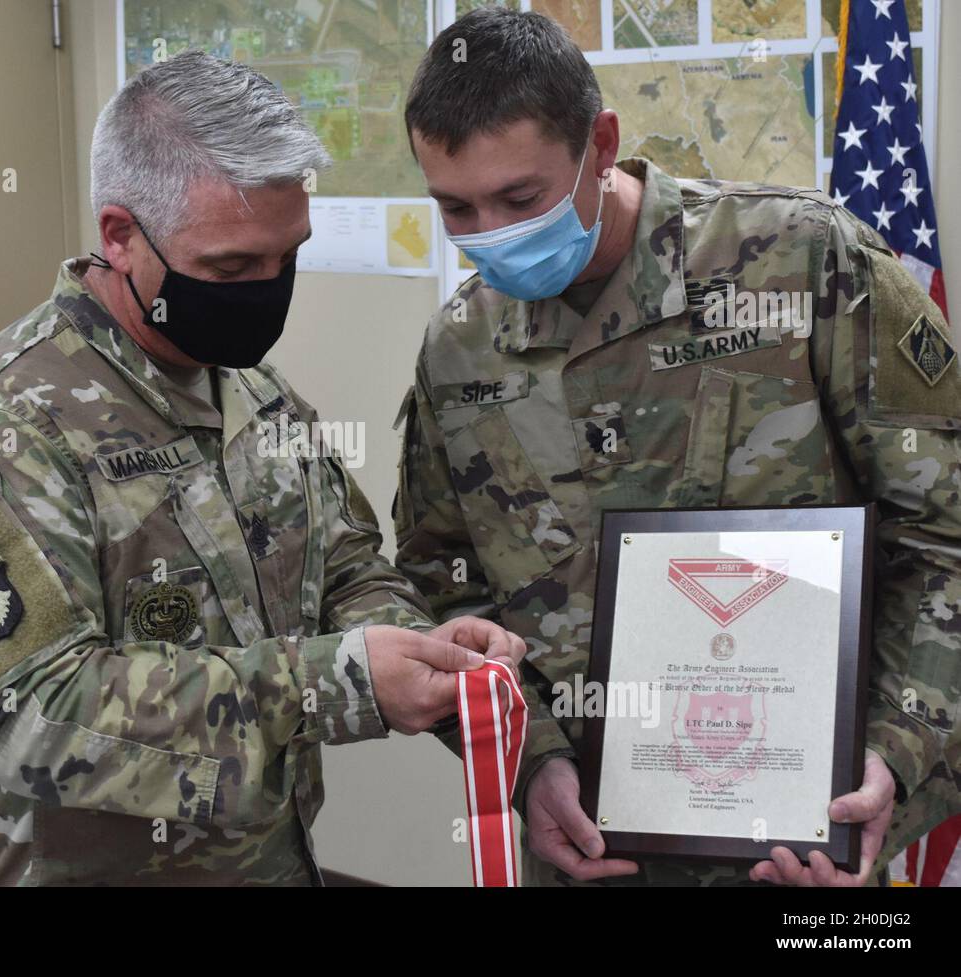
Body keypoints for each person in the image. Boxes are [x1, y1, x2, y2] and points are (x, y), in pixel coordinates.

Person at [0, 51, 525, 885]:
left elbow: (345, 562)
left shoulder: (249, 386)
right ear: (120, 235)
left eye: (286, 258)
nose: (266, 290)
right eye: (230, 269)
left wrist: (416, 638)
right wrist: (338, 680)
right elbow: (35, 713)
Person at [393, 8, 959, 885]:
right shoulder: (458, 346)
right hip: (586, 848)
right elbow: (442, 577)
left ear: (602, 142)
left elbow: (944, 536)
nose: (489, 232)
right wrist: (531, 756)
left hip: (807, 843)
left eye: (519, 198)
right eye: (455, 208)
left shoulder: (800, 263)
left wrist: (896, 749)